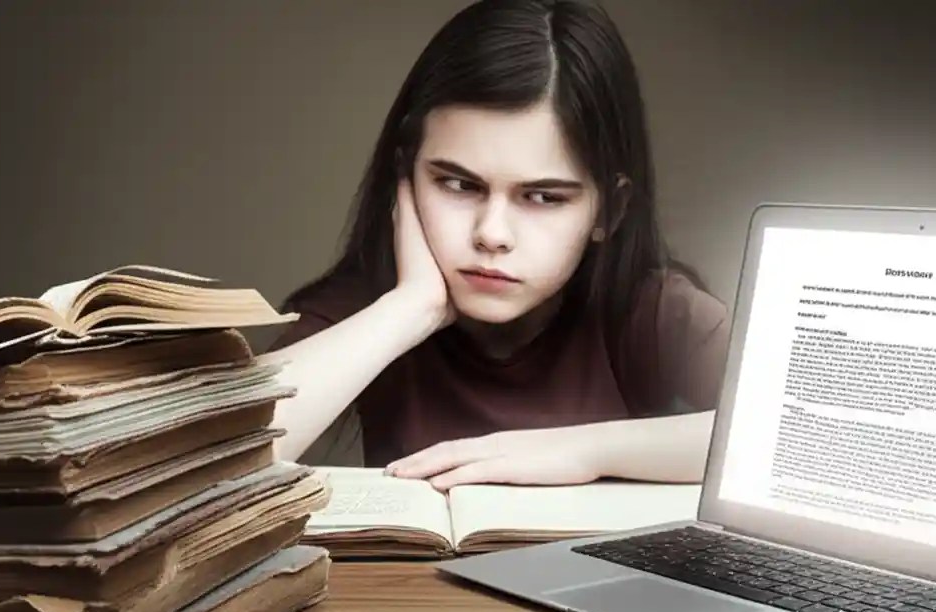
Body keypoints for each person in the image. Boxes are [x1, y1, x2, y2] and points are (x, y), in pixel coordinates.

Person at [264, 0, 731, 491]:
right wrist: (411, 308)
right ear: (405, 177)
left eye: (544, 197)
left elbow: (805, 447)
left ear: (609, 211)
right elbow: (194, 465)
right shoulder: (369, 304)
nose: (492, 233)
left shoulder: (650, 310)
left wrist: (584, 450)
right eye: (459, 186)